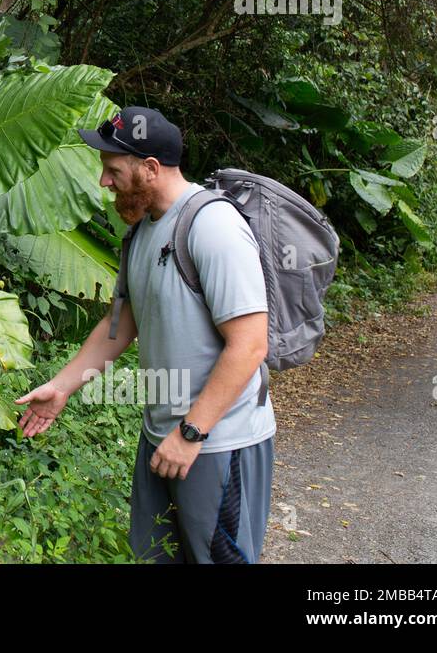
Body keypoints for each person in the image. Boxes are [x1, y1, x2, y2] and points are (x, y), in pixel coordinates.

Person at [14, 106, 275, 563]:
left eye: (114, 170)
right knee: (157, 555)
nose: (104, 182)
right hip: (161, 433)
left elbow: (250, 343)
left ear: (150, 169)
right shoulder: (141, 233)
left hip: (217, 441)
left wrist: (191, 434)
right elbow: (119, 327)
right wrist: (61, 388)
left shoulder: (213, 227)